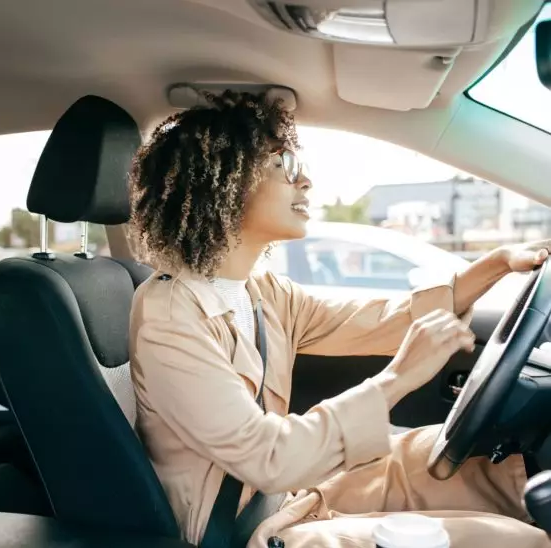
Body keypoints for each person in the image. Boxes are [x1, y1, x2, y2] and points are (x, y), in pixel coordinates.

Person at [127, 90, 551, 548]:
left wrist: (497, 265)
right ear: (221, 184)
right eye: (284, 165)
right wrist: (398, 378)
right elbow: (268, 456)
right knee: (515, 541)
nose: (305, 179)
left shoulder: (262, 291)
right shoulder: (168, 318)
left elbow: (385, 319)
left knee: (488, 465)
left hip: (288, 495)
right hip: (245, 530)